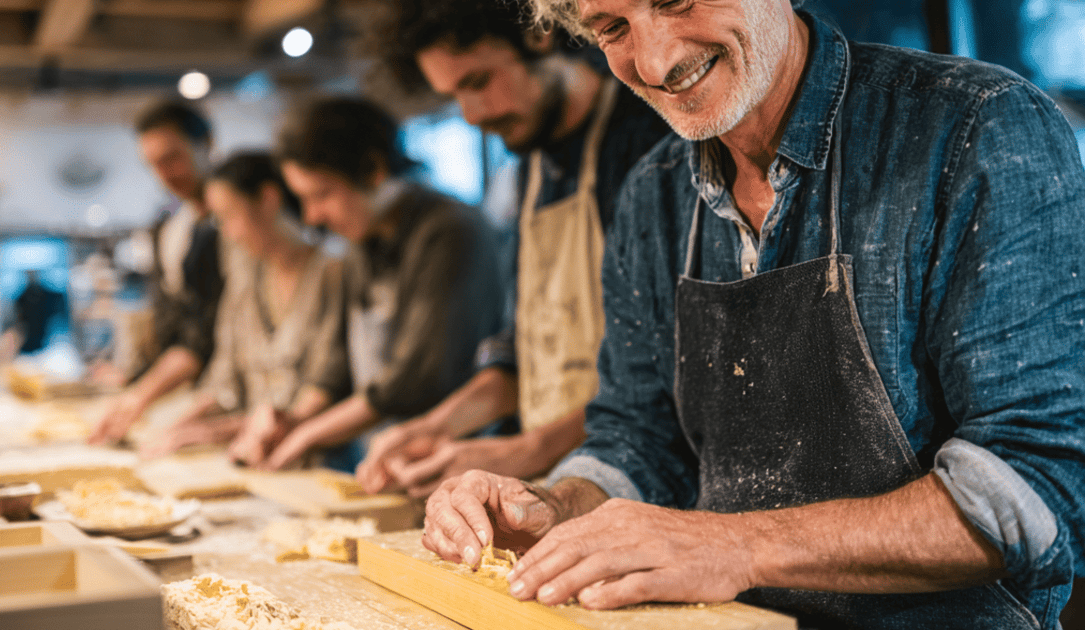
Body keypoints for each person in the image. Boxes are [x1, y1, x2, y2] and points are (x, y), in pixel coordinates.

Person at [421, 0, 1085, 628]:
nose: (655, 63)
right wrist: (552, 508)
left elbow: (1041, 483)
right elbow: (640, 441)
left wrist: (736, 546)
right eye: (613, 27)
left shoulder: (976, 128)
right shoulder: (653, 195)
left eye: (677, 0)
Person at [355, 0, 670, 498]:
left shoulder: (649, 145)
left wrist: (527, 450)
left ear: (538, 36)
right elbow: (521, 351)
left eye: (478, 81)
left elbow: (664, 371)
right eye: (454, 95)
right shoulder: (530, 166)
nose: (472, 115)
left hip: (636, 487)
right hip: (557, 479)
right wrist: (434, 428)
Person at [252, 96, 504, 473]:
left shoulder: (450, 230)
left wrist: (309, 435)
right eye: (303, 199)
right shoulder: (360, 241)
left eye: (321, 194)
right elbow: (337, 363)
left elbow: (415, 379)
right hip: (388, 459)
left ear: (373, 169)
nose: (312, 216)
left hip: (462, 460)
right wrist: (294, 420)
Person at [138, 152, 346, 464]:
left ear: (268, 199)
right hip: (253, 459)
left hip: (319, 463)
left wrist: (216, 431)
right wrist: (178, 426)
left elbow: (323, 389)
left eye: (229, 216)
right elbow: (224, 382)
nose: (227, 233)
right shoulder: (246, 280)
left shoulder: (333, 272)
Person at [89, 102, 224, 445]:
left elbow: (204, 333)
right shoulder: (170, 228)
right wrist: (135, 380)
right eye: (153, 164)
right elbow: (173, 327)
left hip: (234, 402)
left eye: (173, 157)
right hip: (194, 399)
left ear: (207, 143)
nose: (164, 173)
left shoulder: (232, 227)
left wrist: (140, 395)